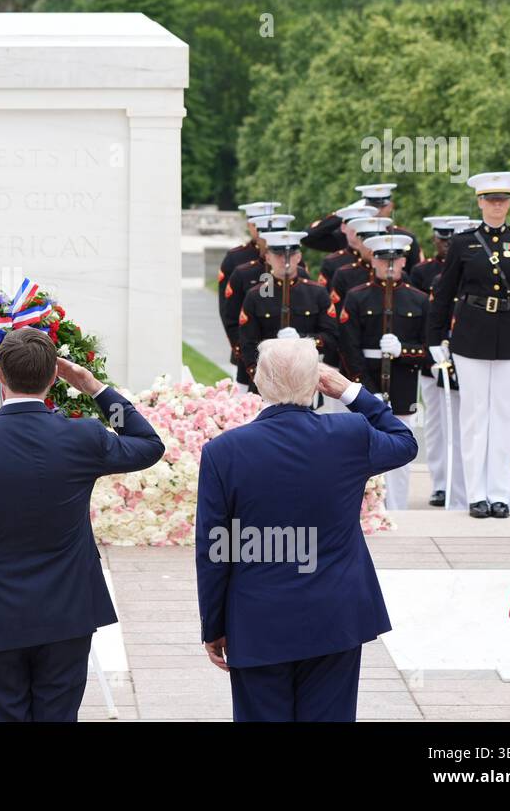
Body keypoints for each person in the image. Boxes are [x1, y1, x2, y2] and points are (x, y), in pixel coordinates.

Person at [0, 327, 165, 721]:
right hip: (68, 612)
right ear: (53, 378)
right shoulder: (84, 436)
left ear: (0, 377)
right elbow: (148, 444)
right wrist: (95, 388)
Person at [196, 338, 416, 721]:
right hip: (335, 615)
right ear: (317, 382)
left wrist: (214, 625)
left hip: (258, 618)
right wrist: (349, 391)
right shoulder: (348, 434)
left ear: (260, 383)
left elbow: (215, 549)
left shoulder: (225, 451)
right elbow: (404, 441)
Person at [427, 172, 510, 518]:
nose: (497, 205)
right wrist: (436, 338)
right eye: (491, 199)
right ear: (480, 202)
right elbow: (444, 294)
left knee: (506, 417)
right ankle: (476, 494)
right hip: (470, 336)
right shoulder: (464, 243)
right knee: (475, 417)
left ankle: (500, 494)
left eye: (503, 200)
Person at [337, 234, 429, 511]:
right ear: (372, 260)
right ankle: (364, 510)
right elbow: (348, 347)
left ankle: (397, 508)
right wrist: (366, 388)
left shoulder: (419, 299)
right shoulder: (357, 296)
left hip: (402, 382)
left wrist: (405, 351)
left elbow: (426, 349)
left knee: (401, 449)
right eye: (382, 259)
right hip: (367, 382)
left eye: (395, 259)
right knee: (359, 450)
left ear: (403, 261)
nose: (389, 265)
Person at [410, 216, 467, 508]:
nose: (446, 245)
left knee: (464, 422)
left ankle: (463, 481)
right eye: (443, 240)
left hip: (464, 356)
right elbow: (422, 317)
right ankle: (441, 482)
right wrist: (428, 352)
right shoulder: (423, 272)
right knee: (436, 422)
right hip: (432, 359)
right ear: (435, 240)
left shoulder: (471, 271)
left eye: (452, 240)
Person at [237, 230, 337, 388]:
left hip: (304, 380)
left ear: (298, 257)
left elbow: (331, 337)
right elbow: (247, 343)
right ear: (268, 257)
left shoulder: (317, 293)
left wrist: (303, 339)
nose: (285, 260)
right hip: (267, 381)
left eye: (290, 255)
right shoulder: (256, 295)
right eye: (278, 255)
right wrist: (260, 378)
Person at [354, 183, 423, 272]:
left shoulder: (405, 238)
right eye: (373, 206)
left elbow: (414, 271)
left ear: (391, 206)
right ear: (365, 207)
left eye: (382, 206)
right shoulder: (357, 235)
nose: (378, 210)